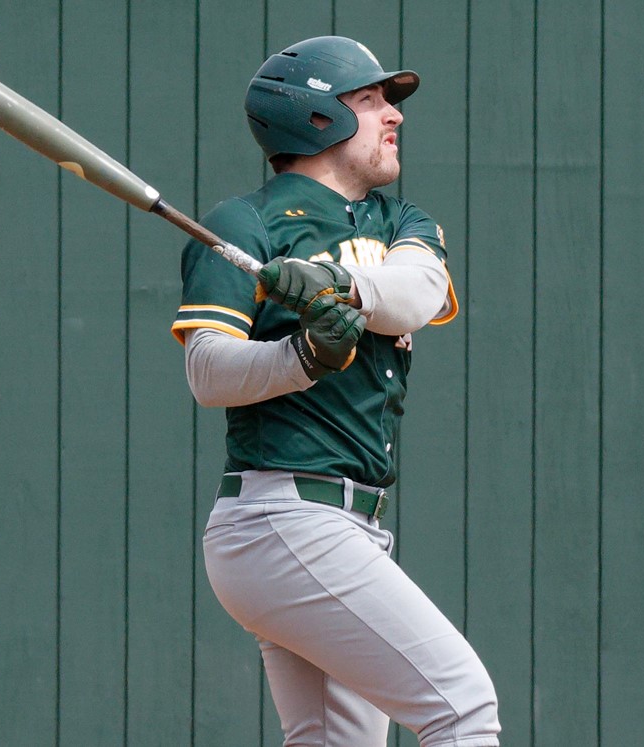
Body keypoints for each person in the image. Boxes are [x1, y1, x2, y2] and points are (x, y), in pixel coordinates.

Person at [173, 36, 501, 747]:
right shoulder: (244, 225)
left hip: (353, 526)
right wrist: (304, 353)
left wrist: (335, 286)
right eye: (369, 98)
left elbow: (418, 292)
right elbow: (207, 371)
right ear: (317, 119)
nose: (394, 115)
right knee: (462, 705)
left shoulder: (401, 222)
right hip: (282, 517)